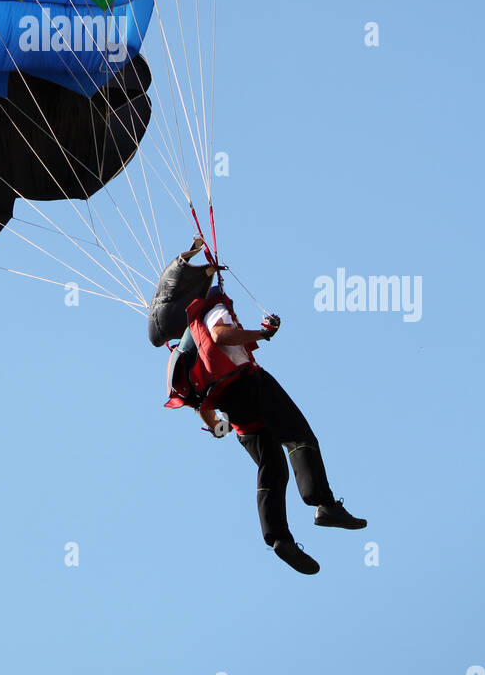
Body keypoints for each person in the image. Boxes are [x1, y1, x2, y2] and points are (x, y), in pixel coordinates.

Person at [154, 237, 366, 575]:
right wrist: (263, 334)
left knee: (272, 467)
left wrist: (218, 427)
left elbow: (198, 401)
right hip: (250, 385)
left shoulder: (185, 347)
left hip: (231, 408)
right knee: (298, 435)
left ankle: (279, 538)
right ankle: (323, 504)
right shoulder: (214, 307)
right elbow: (222, 335)